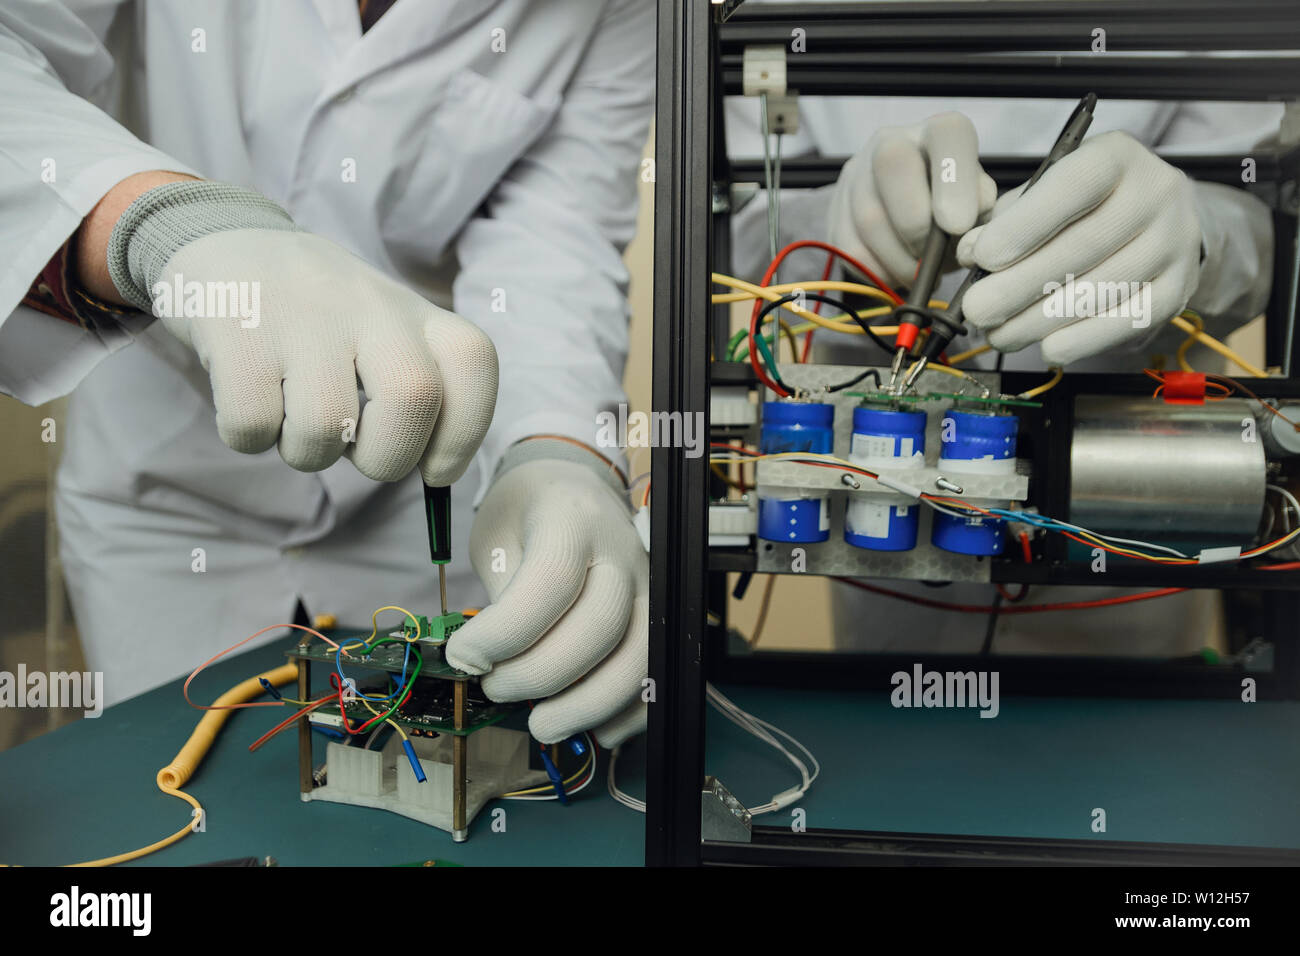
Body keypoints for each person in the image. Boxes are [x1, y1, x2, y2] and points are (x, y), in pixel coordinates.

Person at [0, 0, 653, 747]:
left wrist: (559, 452)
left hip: (413, 485)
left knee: (442, 765)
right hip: (168, 493)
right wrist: (169, 231)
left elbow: (554, 244)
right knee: (189, 801)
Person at [727, 76, 1283, 653]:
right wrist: (837, 224)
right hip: (888, 591)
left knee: (1127, 725)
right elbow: (735, 219)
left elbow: (1269, 212)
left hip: (1129, 541)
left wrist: (1199, 232)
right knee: (887, 726)